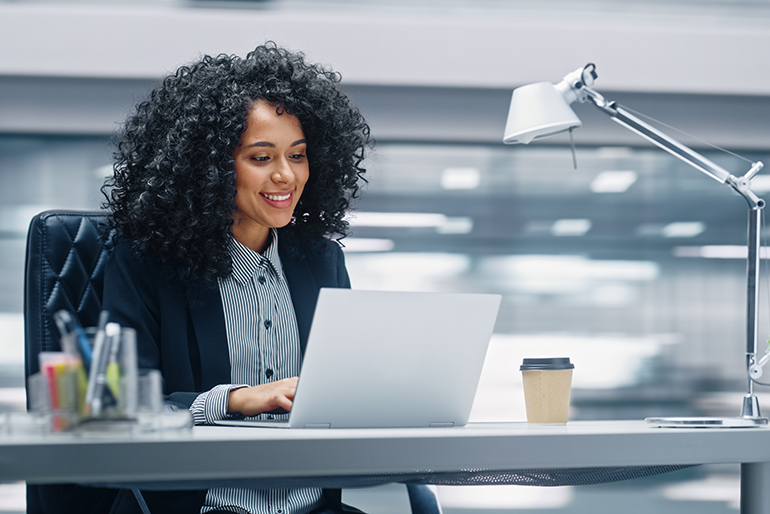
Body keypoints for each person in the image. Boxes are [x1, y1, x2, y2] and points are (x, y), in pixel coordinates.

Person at [100, 42, 370, 514]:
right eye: (261, 158)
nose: (287, 175)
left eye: (299, 155)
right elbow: (117, 408)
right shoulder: (147, 263)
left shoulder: (321, 261)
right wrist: (233, 400)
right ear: (208, 167)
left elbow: (340, 389)